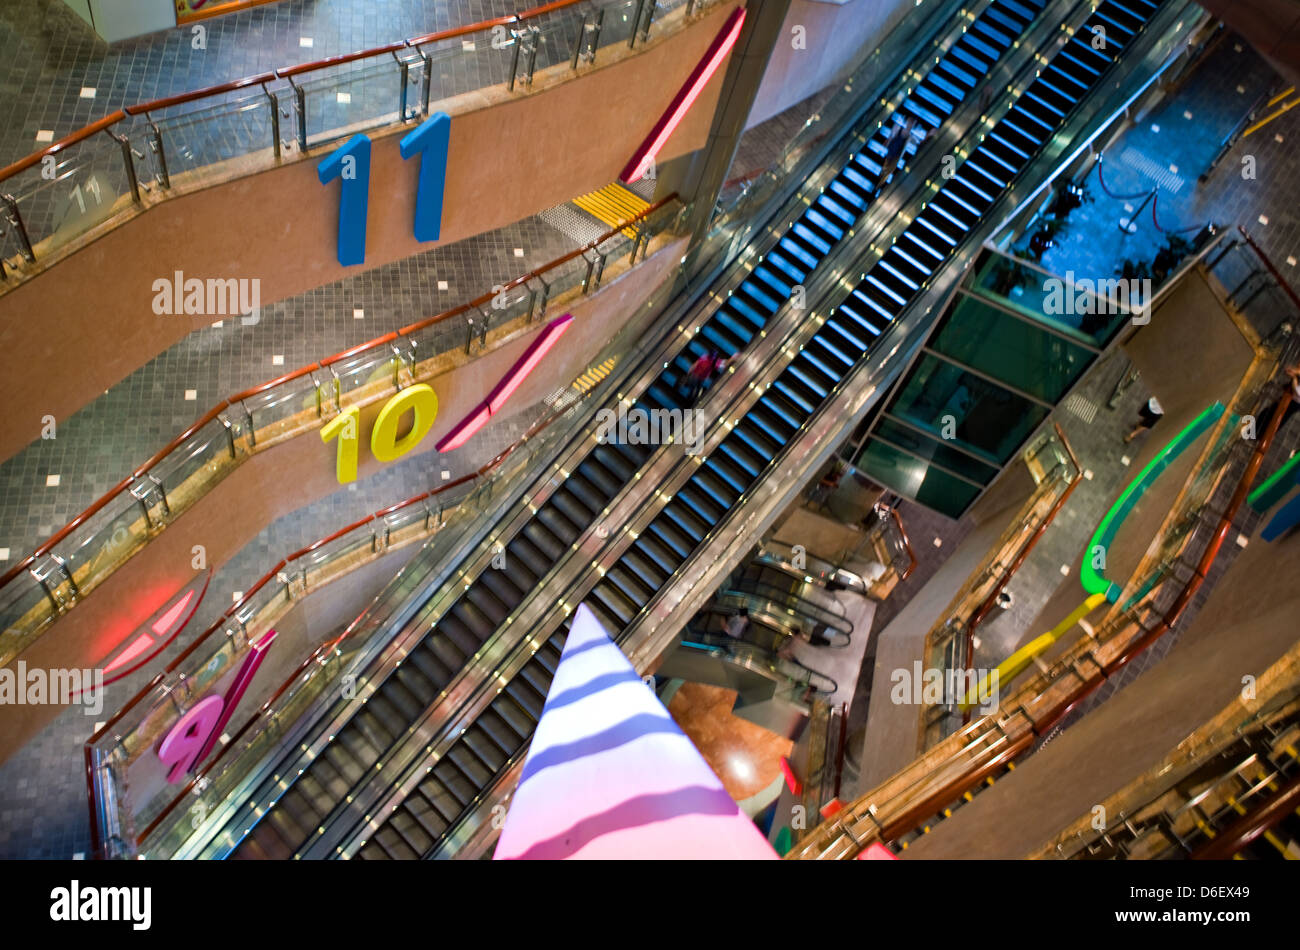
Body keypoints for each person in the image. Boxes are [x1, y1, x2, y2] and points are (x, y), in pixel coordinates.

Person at [875, 116, 920, 193]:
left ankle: (879, 185)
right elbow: (891, 137)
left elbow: (916, 143)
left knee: (889, 169)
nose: (910, 124)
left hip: (896, 155)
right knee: (886, 166)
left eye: (912, 123)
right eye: (910, 122)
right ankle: (878, 182)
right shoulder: (898, 128)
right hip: (892, 150)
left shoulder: (910, 136)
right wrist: (887, 142)